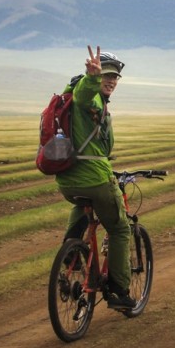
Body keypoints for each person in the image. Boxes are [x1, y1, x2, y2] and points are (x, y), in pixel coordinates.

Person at [55, 45, 136, 310]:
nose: (111, 81)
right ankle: (119, 291)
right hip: (94, 177)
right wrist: (92, 78)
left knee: (83, 204)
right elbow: (84, 96)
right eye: (106, 75)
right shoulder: (89, 96)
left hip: (67, 179)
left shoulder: (74, 99)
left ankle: (72, 251)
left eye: (114, 77)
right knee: (120, 229)